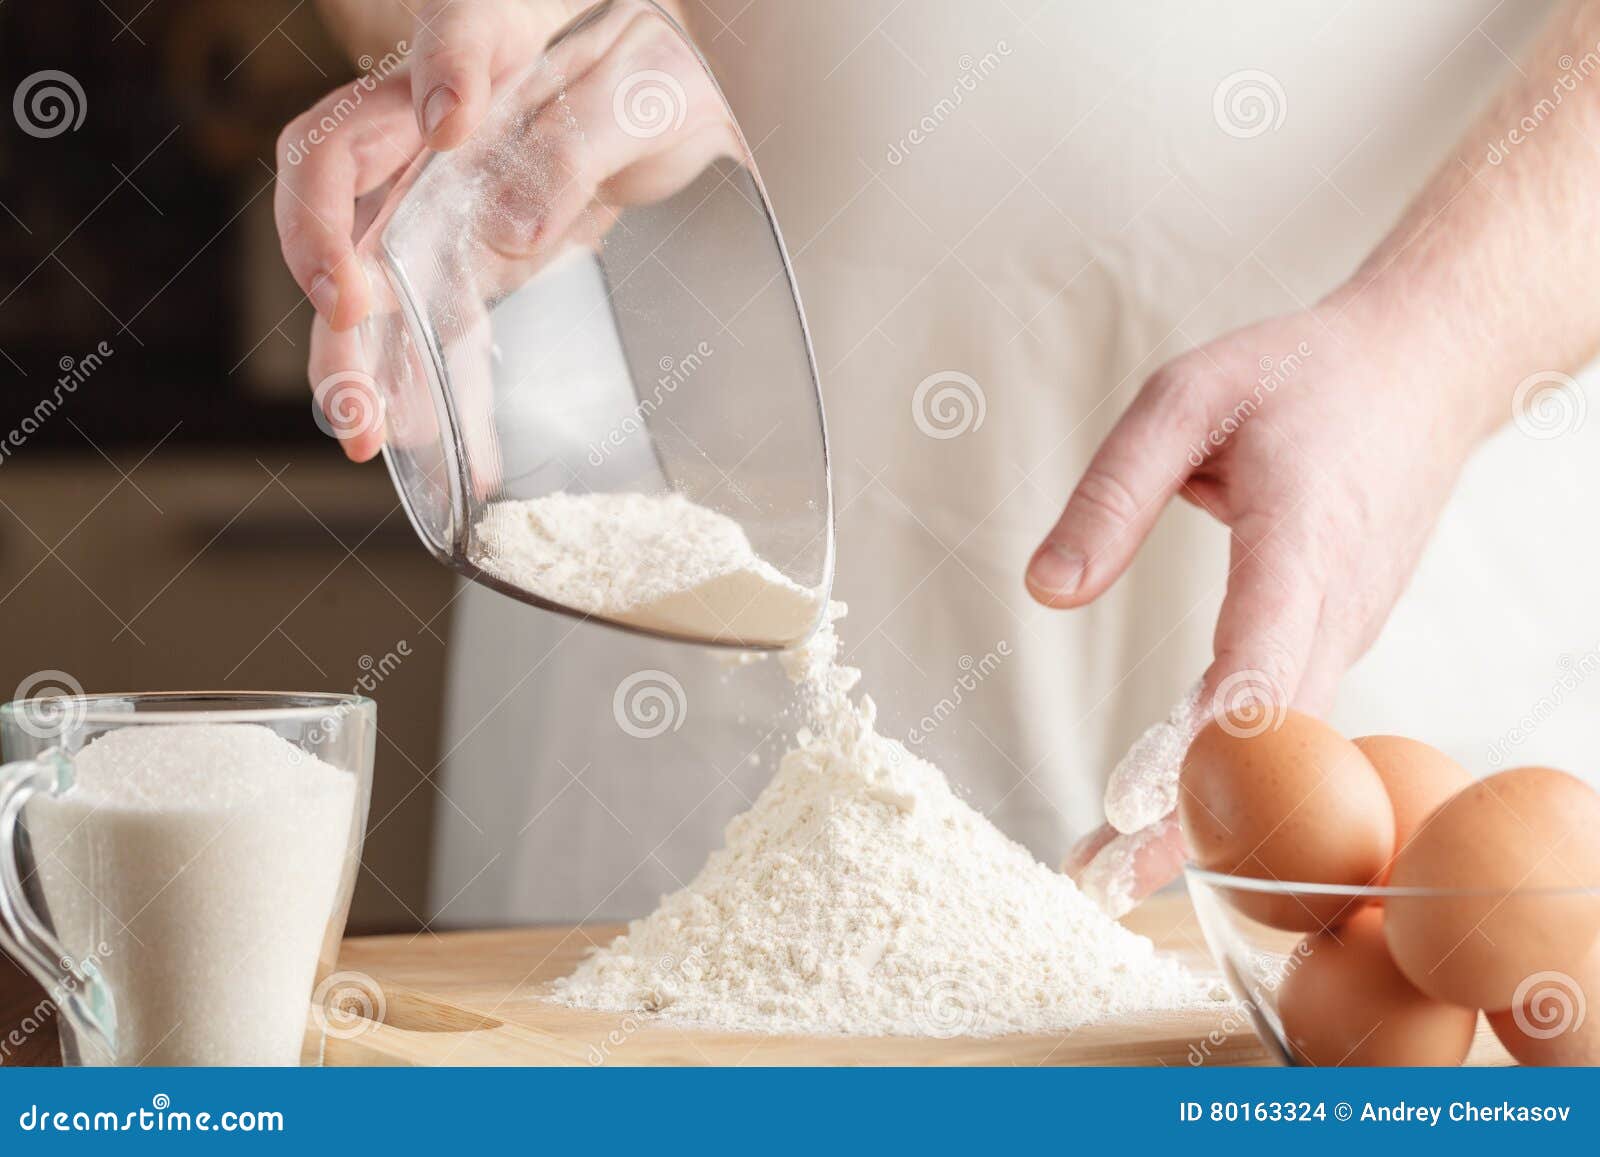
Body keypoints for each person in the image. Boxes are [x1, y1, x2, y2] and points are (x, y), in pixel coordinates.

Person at [276, 0, 1600, 925]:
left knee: (1366, 982)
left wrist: (1437, 344)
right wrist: (512, 44)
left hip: (1400, 495)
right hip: (676, 576)